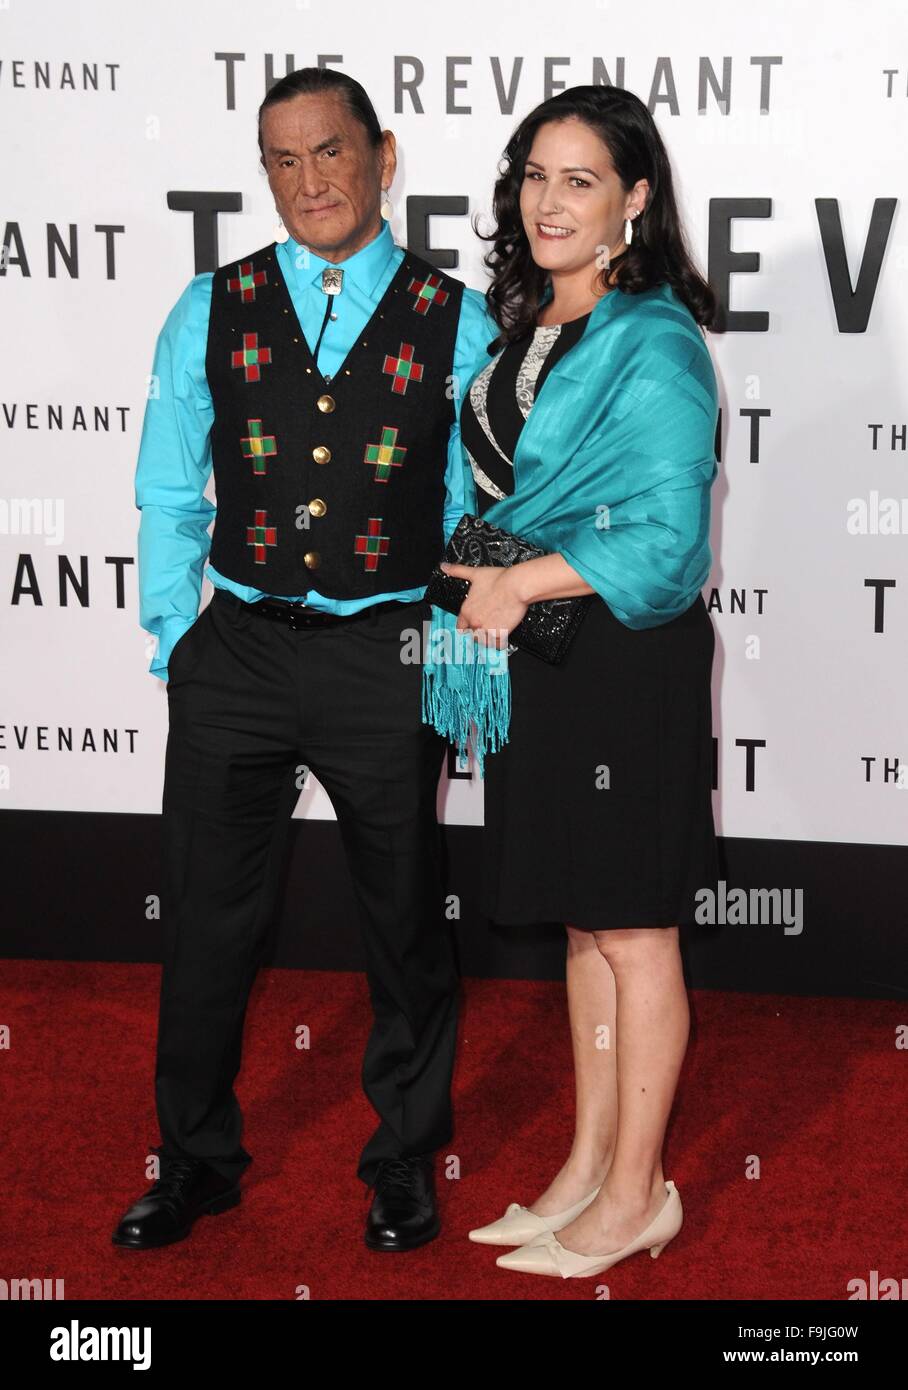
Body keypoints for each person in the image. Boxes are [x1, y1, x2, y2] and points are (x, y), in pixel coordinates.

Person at [114, 67, 495, 1254]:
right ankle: (195, 1161)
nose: (307, 181)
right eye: (281, 160)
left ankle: (402, 1161)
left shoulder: (456, 315)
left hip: (386, 653)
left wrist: (448, 654)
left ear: (384, 157)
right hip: (234, 651)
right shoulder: (208, 305)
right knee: (209, 926)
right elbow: (172, 482)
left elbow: (473, 507)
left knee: (401, 921)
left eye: (329, 152)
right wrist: (178, 636)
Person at [422, 84, 720, 1279]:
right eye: (534, 175)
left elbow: (662, 540)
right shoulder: (525, 318)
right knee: (585, 921)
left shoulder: (653, 339)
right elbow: (486, 485)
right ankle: (587, 1164)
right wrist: (471, 565)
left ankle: (639, 1193)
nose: (547, 201)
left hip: (615, 652)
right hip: (538, 652)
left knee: (636, 929)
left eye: (579, 179)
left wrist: (514, 579)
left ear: (633, 200)